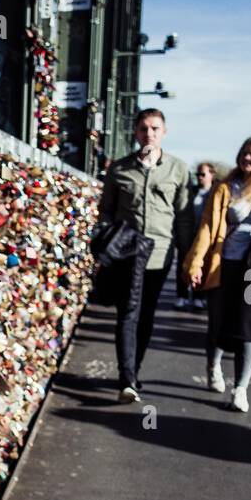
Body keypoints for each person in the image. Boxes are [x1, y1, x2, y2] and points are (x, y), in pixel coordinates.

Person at [183, 134, 251, 412]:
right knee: (217, 326)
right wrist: (195, 264)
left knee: (250, 331)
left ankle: (240, 389)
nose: (247, 158)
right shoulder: (224, 188)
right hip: (223, 265)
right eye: (245, 152)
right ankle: (214, 366)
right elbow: (207, 229)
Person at [98, 109, 194, 402]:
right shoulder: (120, 169)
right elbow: (107, 211)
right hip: (128, 255)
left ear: (164, 131)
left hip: (161, 255)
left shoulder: (178, 169)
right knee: (128, 312)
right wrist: (105, 241)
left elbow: (184, 216)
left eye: (154, 128)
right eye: (142, 129)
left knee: (146, 315)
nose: (148, 134)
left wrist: (188, 258)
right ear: (135, 133)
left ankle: (134, 370)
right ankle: (126, 379)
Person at [176, 162, 218, 310]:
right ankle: (181, 295)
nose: (199, 177)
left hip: (206, 237)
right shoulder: (191, 191)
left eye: (203, 174)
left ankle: (199, 296)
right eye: (198, 174)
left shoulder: (216, 192)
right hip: (189, 235)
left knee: (203, 266)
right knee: (184, 264)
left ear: (211, 175)